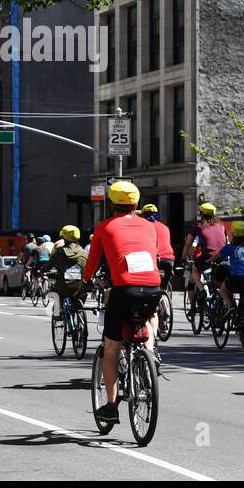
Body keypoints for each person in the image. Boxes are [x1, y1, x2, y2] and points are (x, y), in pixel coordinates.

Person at [85, 180, 162, 426]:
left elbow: (93, 262)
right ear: (136, 204)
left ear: (111, 203)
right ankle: (149, 353)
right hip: (153, 288)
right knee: (148, 316)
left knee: (111, 347)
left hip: (124, 290)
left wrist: (85, 282)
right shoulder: (150, 227)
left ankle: (110, 405)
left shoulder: (105, 227)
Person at [215, 221, 244, 325]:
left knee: (223, 289)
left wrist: (207, 261)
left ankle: (232, 307)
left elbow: (217, 257)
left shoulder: (230, 247)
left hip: (237, 279)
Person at [46, 225, 89, 325]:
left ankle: (59, 312)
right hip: (81, 286)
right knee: (82, 294)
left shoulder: (60, 251)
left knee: (56, 292)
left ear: (64, 237)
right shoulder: (84, 252)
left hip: (64, 286)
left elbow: (49, 265)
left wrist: (40, 272)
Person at [187, 202, 226, 311]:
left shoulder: (199, 228)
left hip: (204, 258)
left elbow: (192, 245)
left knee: (195, 273)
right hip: (221, 257)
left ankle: (201, 292)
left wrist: (188, 254)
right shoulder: (221, 226)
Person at [140, 204, 175, 292]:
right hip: (169, 260)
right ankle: (164, 300)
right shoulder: (165, 227)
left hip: (152, 260)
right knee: (163, 290)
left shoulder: (143, 227)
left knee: (146, 287)